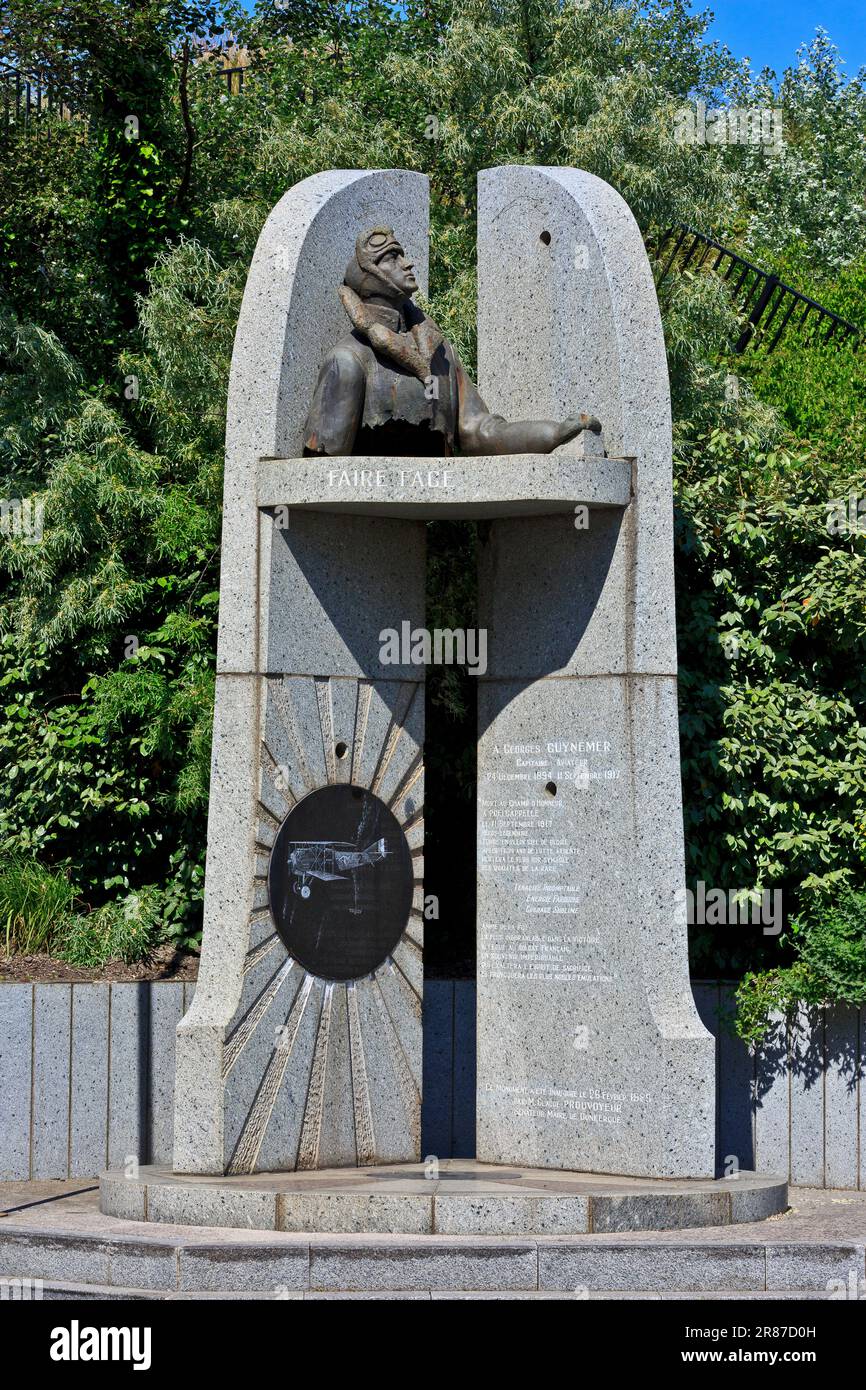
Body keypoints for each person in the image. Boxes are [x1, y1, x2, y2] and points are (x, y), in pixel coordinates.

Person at [304, 227, 602, 457]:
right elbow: (323, 473)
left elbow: (477, 430)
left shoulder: (437, 351)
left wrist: (553, 434)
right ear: (369, 276)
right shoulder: (348, 360)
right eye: (392, 258)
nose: (407, 264)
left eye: (402, 254)